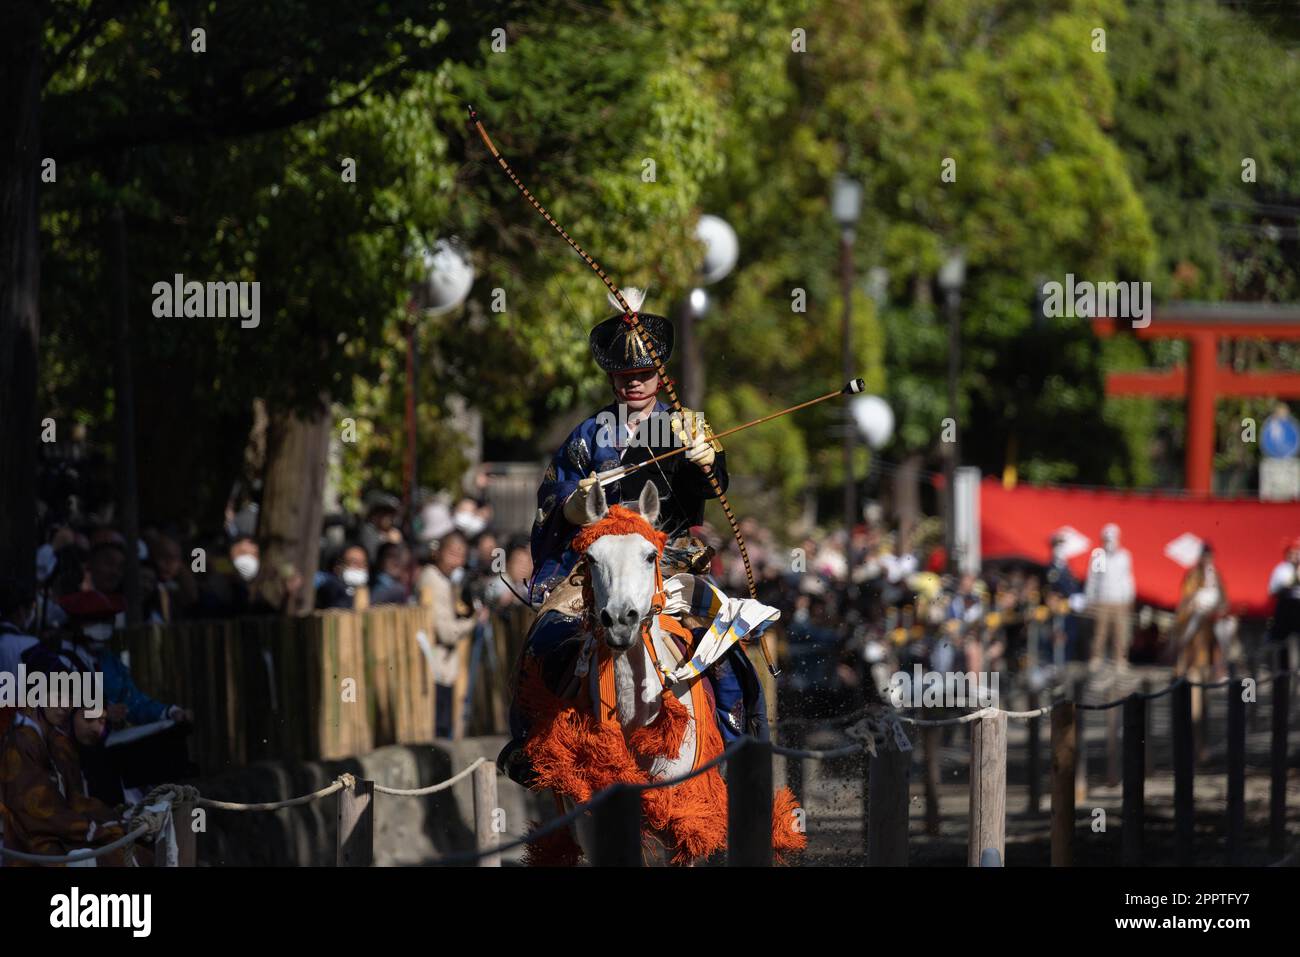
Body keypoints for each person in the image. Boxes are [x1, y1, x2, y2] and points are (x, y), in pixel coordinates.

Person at [528, 289, 728, 602]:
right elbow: (552, 493)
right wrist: (572, 506)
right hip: (598, 567)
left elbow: (712, 487)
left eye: (643, 374)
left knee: (719, 636)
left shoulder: (686, 424)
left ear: (659, 377)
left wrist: (708, 463)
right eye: (624, 376)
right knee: (550, 635)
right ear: (611, 378)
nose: (633, 383)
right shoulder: (589, 432)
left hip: (669, 561)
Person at [0, 692, 134, 866]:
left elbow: (76, 800)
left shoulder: (60, 743)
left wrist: (116, 819)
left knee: (135, 849)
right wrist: (95, 829)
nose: (65, 705)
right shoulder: (19, 740)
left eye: (70, 699)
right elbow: (37, 811)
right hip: (27, 839)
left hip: (62, 830)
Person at [418, 532, 484, 737]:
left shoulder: (447, 581)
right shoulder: (432, 579)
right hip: (434, 666)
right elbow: (446, 632)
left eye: (461, 555)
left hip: (445, 667)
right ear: (438, 553)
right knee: (438, 729)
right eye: (452, 554)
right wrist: (473, 622)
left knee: (445, 726)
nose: (457, 561)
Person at [1085, 522, 1135, 670]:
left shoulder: (1124, 556)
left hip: (1119, 601)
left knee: (1121, 633)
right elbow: (1093, 579)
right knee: (1100, 632)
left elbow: (1127, 579)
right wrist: (1090, 599)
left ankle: (1120, 660)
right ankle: (1096, 658)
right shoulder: (1099, 556)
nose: (1110, 542)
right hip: (1103, 600)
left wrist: (1129, 598)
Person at [1268, 537, 1300, 668]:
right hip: (1285, 608)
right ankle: (1283, 677)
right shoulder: (1281, 569)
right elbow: (1273, 589)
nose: (1294, 556)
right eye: (1291, 553)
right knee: (1282, 646)